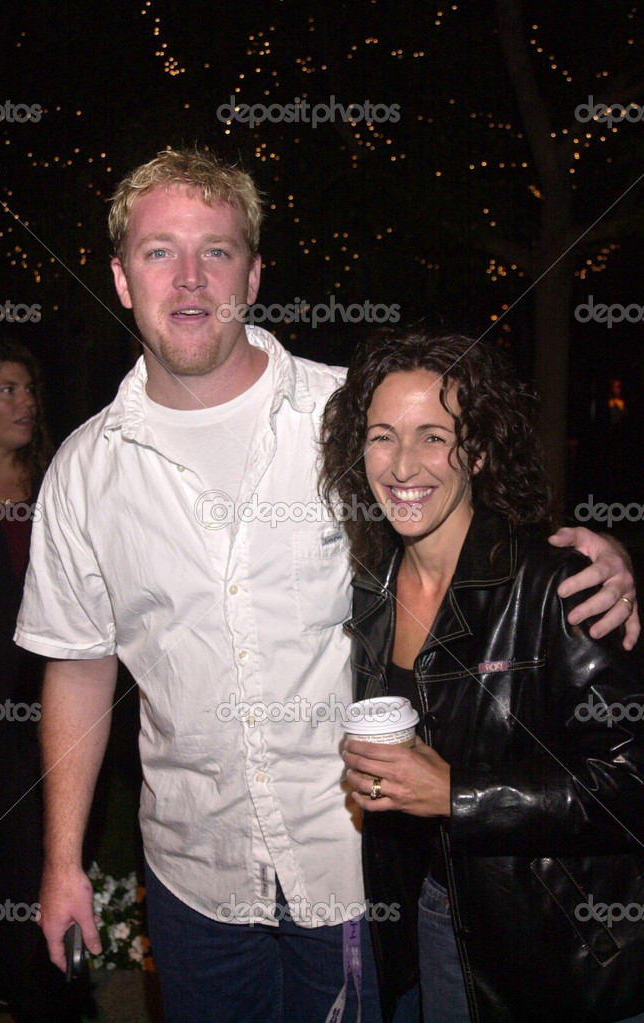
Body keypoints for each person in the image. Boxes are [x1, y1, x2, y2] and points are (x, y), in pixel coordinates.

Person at [13, 149, 637, 1023]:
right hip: (194, 876)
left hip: (354, 868)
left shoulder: (352, 421)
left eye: (217, 251)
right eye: (160, 251)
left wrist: (598, 550)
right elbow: (79, 668)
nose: (190, 278)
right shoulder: (82, 472)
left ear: (254, 274)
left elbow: (483, 535)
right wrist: (61, 862)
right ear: (120, 278)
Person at [319, 329, 644, 1023]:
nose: (402, 463)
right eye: (381, 435)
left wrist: (458, 794)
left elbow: (632, 779)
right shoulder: (368, 592)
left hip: (564, 945)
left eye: (433, 435)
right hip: (439, 922)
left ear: (479, 449)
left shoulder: (559, 583)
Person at [0, 334, 78, 1022]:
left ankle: (44, 987)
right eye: (6, 389)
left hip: (50, 710)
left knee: (40, 852)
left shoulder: (54, 488)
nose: (27, 402)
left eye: (30, 389)